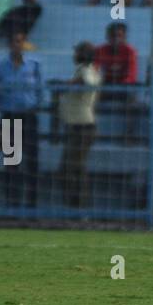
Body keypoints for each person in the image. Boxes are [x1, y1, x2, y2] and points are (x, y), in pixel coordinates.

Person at [0, 30, 44, 208]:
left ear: (24, 43)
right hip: (9, 117)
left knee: (32, 163)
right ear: (9, 44)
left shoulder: (34, 65)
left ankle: (31, 206)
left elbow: (41, 91)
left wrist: (36, 105)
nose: (17, 45)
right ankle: (11, 206)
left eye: (20, 41)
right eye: (13, 41)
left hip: (28, 117)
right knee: (12, 163)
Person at [59, 41, 101, 209]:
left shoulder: (86, 70)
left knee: (72, 168)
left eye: (76, 52)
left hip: (82, 127)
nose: (73, 55)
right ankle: (76, 207)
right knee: (73, 168)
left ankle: (78, 208)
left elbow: (88, 83)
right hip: (76, 126)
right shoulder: (83, 70)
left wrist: (72, 83)